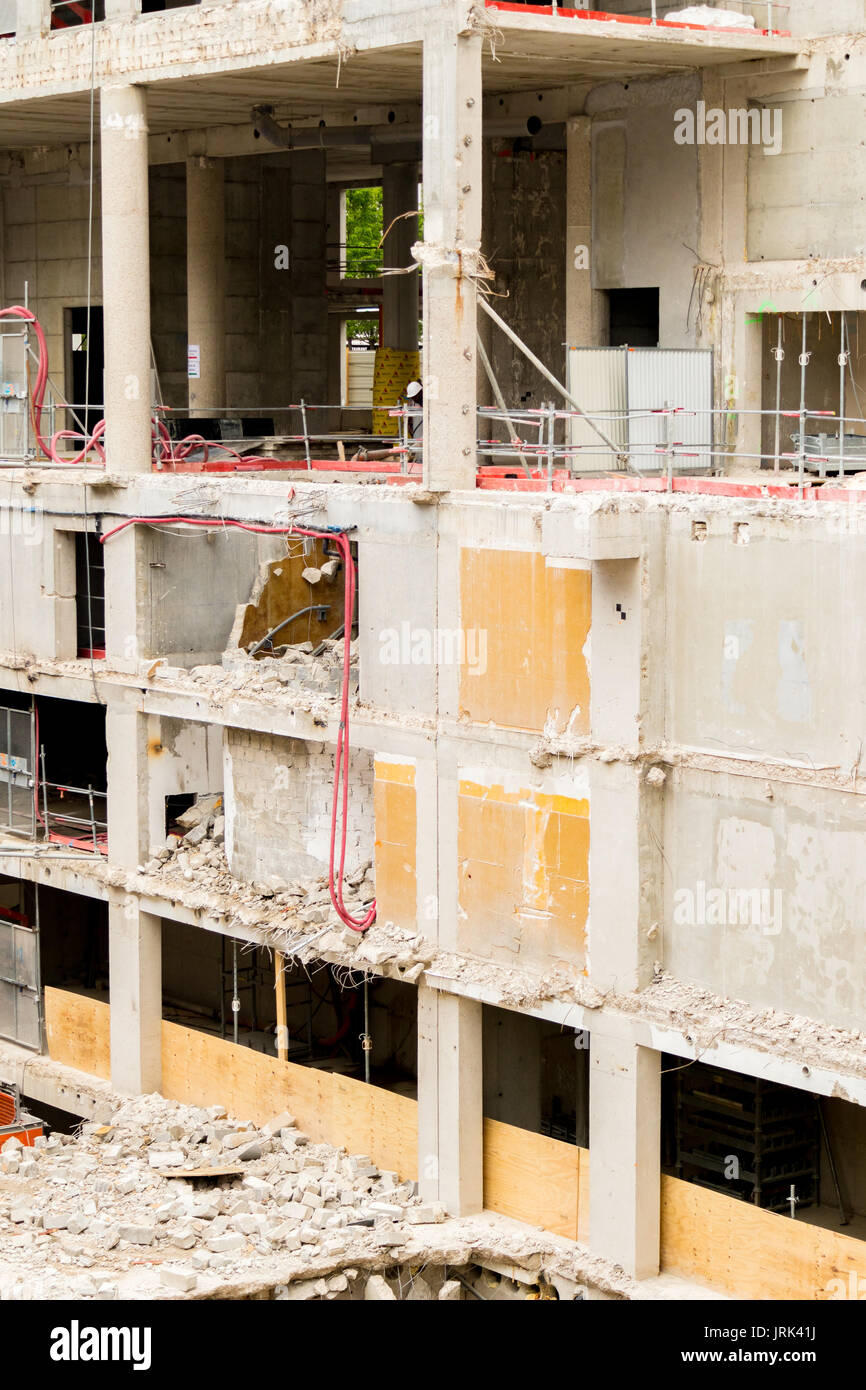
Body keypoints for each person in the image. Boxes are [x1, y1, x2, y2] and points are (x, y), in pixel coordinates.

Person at [352, 379, 423, 465]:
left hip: (425, 434)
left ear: (420, 393)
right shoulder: (413, 403)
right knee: (416, 447)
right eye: (412, 397)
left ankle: (418, 457)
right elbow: (403, 408)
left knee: (419, 446)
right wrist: (389, 408)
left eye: (415, 397)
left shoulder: (429, 402)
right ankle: (416, 457)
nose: (414, 399)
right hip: (417, 434)